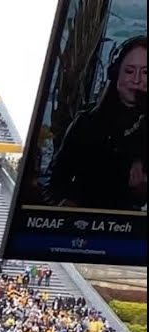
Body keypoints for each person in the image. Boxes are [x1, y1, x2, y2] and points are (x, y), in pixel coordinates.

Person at [43, 36, 147, 210]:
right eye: (129, 71)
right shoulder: (86, 121)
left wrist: (141, 190)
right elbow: (54, 181)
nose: (136, 80)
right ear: (115, 73)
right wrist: (65, 203)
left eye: (145, 73)